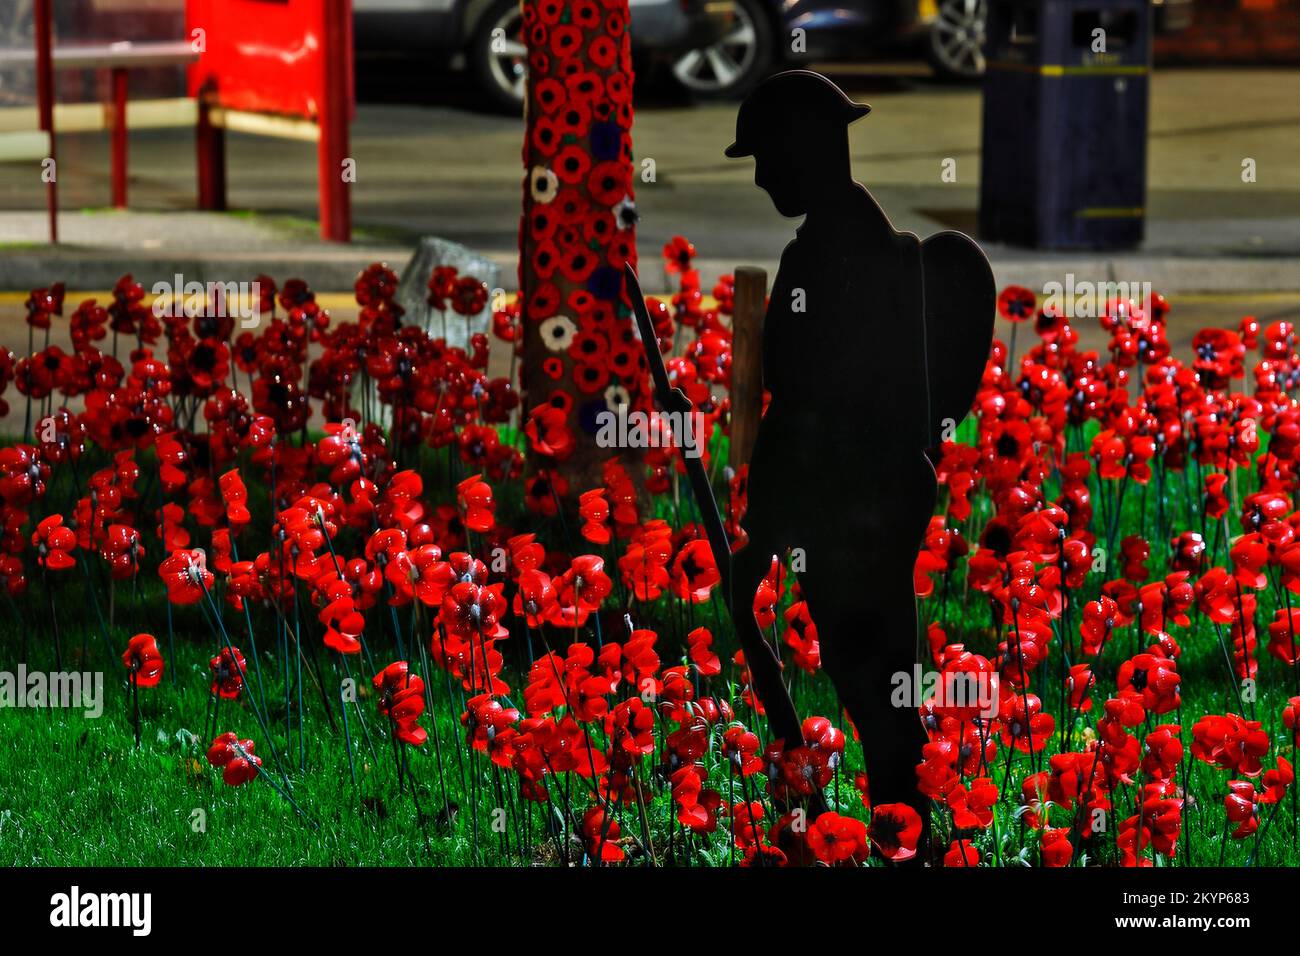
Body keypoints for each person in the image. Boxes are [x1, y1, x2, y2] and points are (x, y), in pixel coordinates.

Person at [724, 71, 994, 859]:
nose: (762, 174)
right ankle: (903, 835)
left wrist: (762, 537)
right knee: (874, 683)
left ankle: (903, 837)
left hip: (854, 504)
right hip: (868, 498)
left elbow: (810, 413)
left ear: (808, 149)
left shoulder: (837, 259)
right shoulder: (850, 247)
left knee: (874, 688)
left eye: (767, 155)